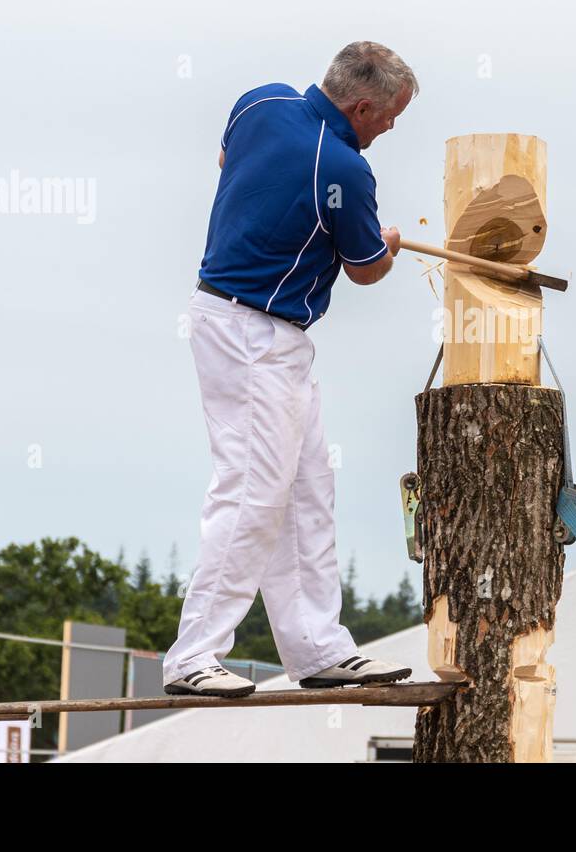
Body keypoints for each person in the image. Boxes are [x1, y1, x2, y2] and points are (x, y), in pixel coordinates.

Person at [162, 42, 418, 697]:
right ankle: (194, 656)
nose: (390, 128)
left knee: (306, 490)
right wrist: (384, 244)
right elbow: (365, 270)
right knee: (252, 491)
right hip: (254, 332)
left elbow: (228, 162)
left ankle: (315, 649)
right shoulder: (346, 169)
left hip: (247, 322)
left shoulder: (262, 101)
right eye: (390, 116)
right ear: (361, 106)